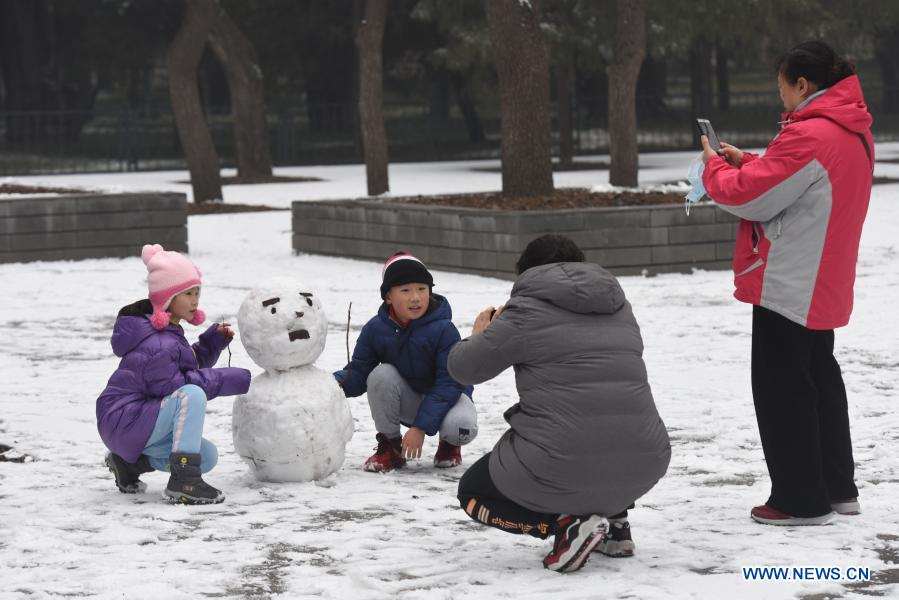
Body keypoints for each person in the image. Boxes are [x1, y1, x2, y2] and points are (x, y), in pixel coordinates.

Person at [700, 41, 872, 525]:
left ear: (803, 84)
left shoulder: (810, 135)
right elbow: (798, 180)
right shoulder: (851, 129)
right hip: (824, 280)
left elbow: (746, 198)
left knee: (783, 392)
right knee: (820, 382)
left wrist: (714, 164)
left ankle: (799, 498)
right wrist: (749, 158)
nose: (782, 98)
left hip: (790, 283)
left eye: (783, 87)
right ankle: (837, 488)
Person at [448, 235, 670, 573]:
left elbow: (464, 369)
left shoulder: (523, 312)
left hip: (563, 461)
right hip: (647, 460)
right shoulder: (620, 308)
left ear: (526, 272)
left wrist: (478, 336)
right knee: (602, 425)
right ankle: (616, 526)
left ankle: (566, 528)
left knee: (474, 491)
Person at [96, 244, 251, 504]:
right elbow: (176, 385)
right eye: (187, 293)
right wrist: (227, 378)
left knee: (207, 456)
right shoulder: (158, 342)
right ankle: (184, 483)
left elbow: (180, 369)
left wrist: (212, 344)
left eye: (197, 292)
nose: (195, 300)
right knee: (191, 394)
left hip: (137, 421)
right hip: (122, 418)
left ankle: (127, 464)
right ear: (167, 299)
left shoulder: (167, 333)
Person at [333, 252, 478, 472]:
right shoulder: (375, 329)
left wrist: (420, 428)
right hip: (409, 398)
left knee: (461, 427)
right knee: (380, 375)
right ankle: (391, 447)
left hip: (449, 399)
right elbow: (360, 373)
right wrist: (332, 385)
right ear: (388, 297)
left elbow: (449, 383)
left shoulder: (444, 329)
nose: (415, 297)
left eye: (422, 289)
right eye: (405, 290)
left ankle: (449, 445)